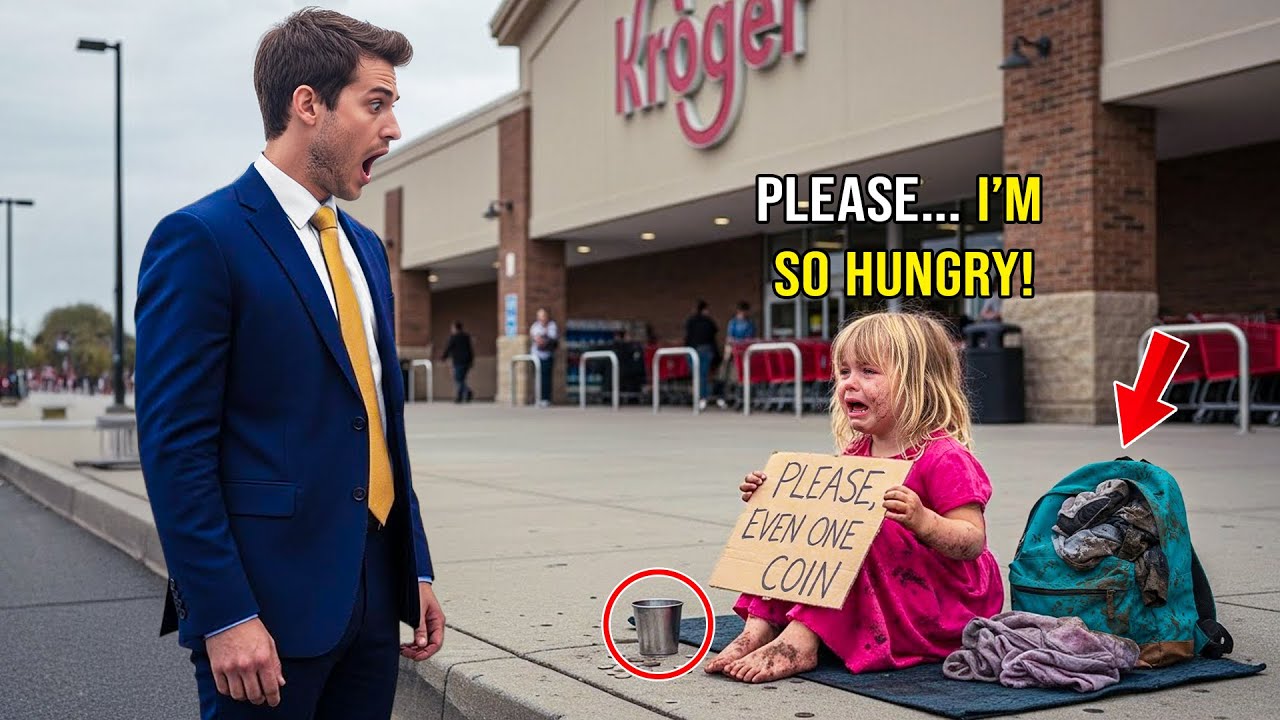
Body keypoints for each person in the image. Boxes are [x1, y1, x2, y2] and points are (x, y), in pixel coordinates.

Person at [134, 10, 443, 719]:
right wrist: (224, 614)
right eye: (377, 103)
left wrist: (413, 566)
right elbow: (176, 449)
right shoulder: (202, 240)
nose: (394, 128)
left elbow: (379, 425)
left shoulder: (366, 249)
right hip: (263, 614)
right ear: (308, 105)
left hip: (371, 601)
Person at [704, 311, 1003, 683]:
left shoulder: (943, 456)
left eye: (868, 371)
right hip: (896, 586)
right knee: (812, 524)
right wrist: (775, 498)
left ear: (917, 382)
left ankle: (800, 639)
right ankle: (758, 627)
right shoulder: (857, 452)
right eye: (844, 372)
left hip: (943, 599)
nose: (849, 383)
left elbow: (972, 542)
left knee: (864, 529)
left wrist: (924, 521)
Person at [683, 300, 719, 410]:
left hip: (692, 350)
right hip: (705, 350)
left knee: (696, 375)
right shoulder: (709, 322)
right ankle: (702, 398)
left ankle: (697, 397)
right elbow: (713, 335)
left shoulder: (690, 321)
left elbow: (687, 337)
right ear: (704, 310)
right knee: (703, 376)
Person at [529, 308, 558, 407]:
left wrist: (544, 339)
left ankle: (546, 399)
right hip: (536, 356)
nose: (541, 318)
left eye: (543, 315)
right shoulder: (535, 326)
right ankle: (537, 398)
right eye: (539, 316)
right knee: (537, 377)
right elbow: (538, 340)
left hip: (548, 356)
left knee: (546, 378)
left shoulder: (552, 325)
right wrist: (542, 339)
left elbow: (550, 339)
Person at [440, 321, 474, 403]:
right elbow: (470, 349)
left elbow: (449, 348)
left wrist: (443, 357)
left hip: (458, 361)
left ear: (455, 328)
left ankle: (466, 392)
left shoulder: (454, 337)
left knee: (458, 379)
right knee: (461, 379)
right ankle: (460, 396)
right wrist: (471, 361)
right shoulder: (466, 336)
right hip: (467, 361)